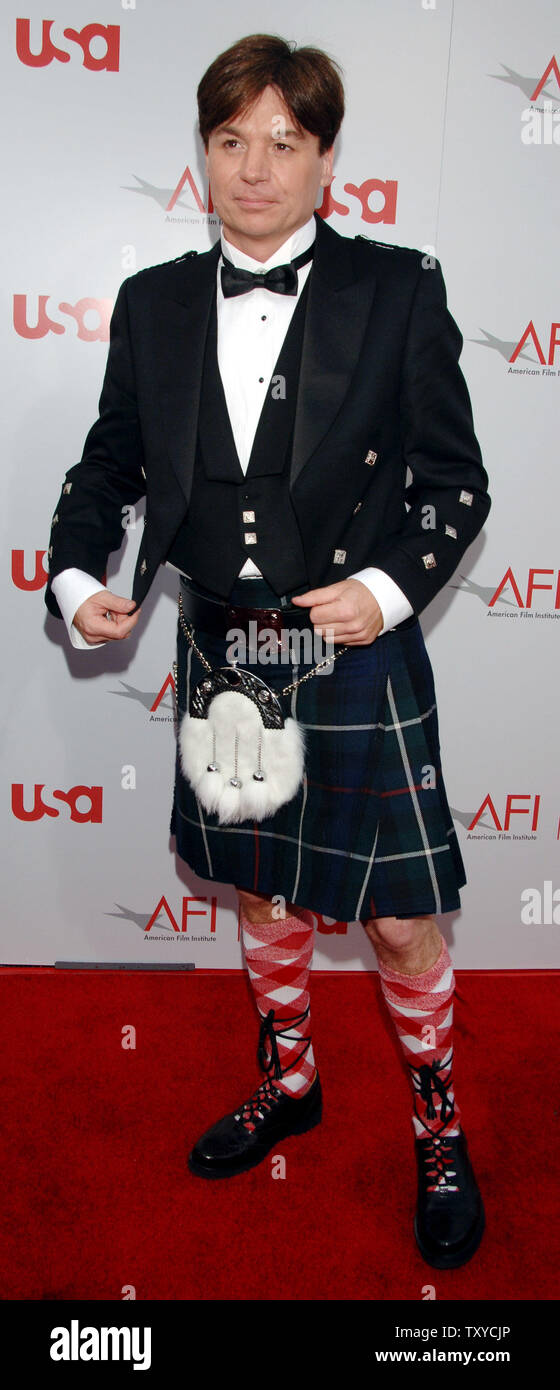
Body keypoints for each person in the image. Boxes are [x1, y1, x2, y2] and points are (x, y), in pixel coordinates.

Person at [45, 33, 491, 1270]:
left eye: (282, 143)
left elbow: (454, 486)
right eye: (230, 140)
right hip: (222, 653)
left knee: (400, 922)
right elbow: (109, 465)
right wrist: (78, 573)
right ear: (202, 156)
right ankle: (289, 1076)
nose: (254, 168)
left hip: (352, 657)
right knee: (260, 892)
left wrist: (387, 588)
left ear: (326, 159)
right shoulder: (155, 304)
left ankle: (435, 1119)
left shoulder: (396, 288)